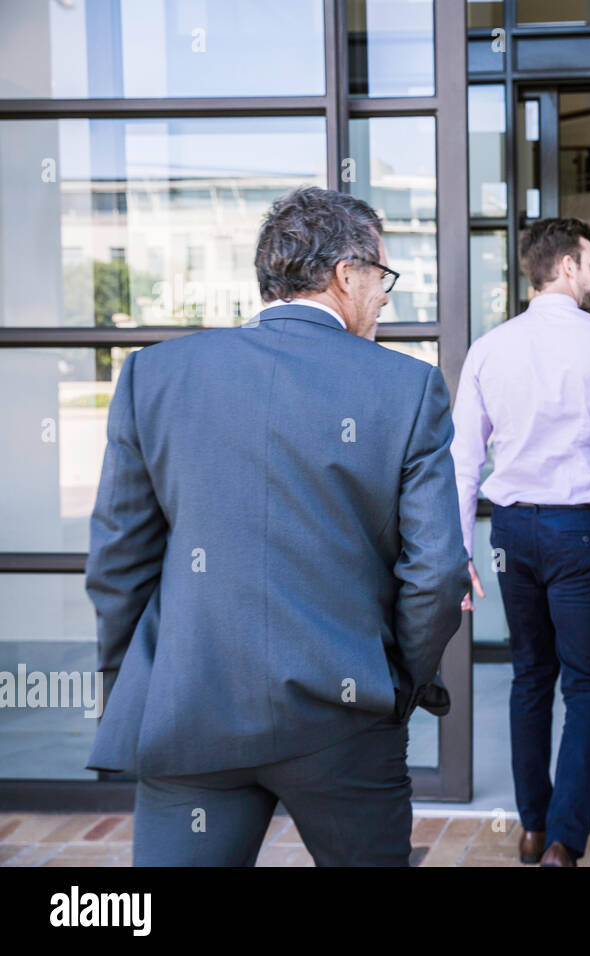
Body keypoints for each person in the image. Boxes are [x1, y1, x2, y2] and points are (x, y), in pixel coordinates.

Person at [85, 186, 468, 866]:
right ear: (347, 274)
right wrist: (393, 687)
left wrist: (143, 687)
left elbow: (118, 566)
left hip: (190, 714)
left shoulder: (155, 376)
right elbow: (436, 574)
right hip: (343, 720)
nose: (387, 297)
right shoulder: (407, 388)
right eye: (383, 277)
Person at [451, 217, 590, 867]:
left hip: (510, 531)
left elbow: (462, 457)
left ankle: (532, 827)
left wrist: (458, 550)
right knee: (587, 686)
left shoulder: (489, 348)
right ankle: (565, 839)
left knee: (530, 676)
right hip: (579, 530)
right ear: (565, 266)